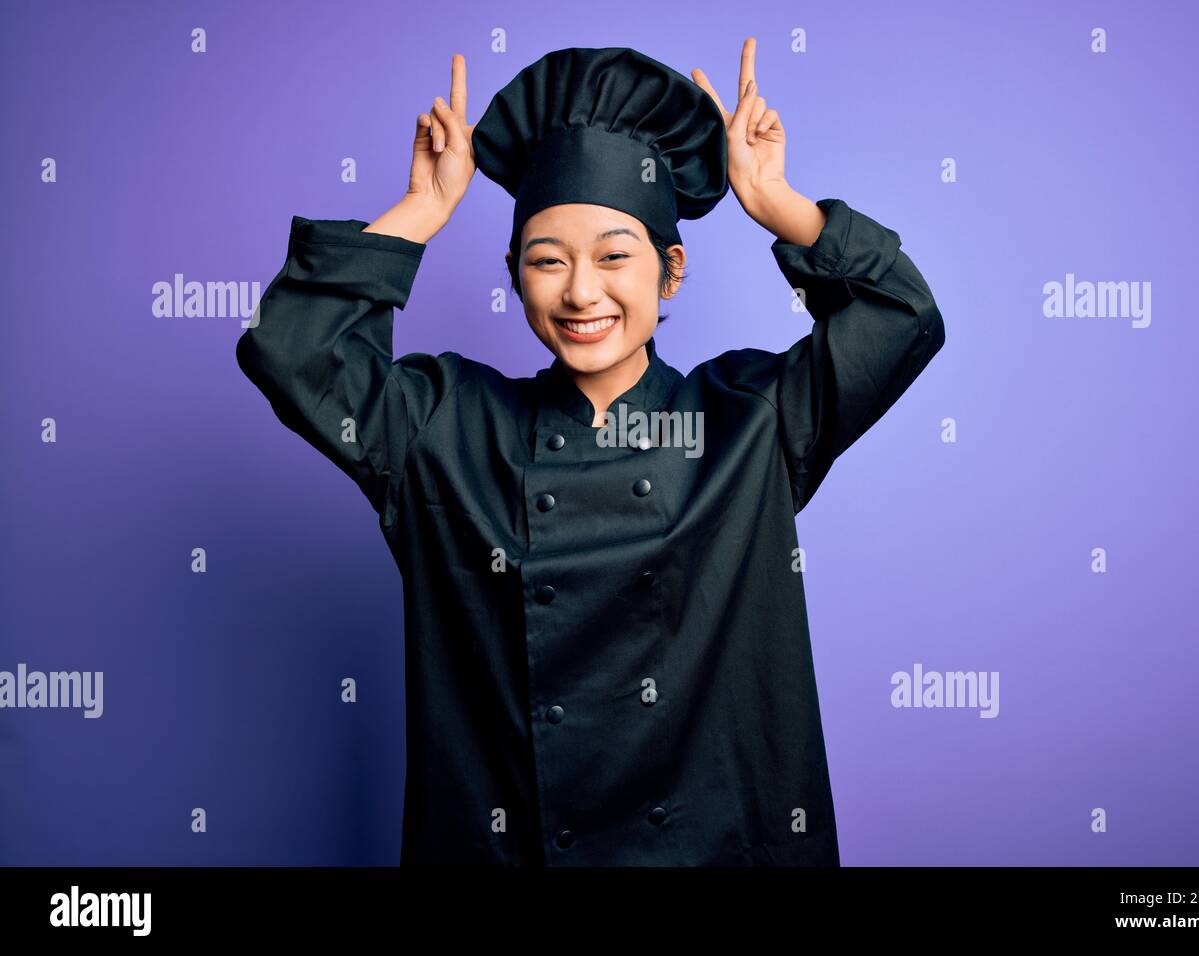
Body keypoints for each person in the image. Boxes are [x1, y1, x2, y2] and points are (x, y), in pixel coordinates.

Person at [235, 40, 946, 866]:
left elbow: (904, 317)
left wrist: (777, 201)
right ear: (514, 274)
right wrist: (421, 212)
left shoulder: (751, 422)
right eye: (547, 261)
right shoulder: (443, 428)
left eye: (615, 256)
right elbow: (288, 349)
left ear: (670, 271)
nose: (581, 291)